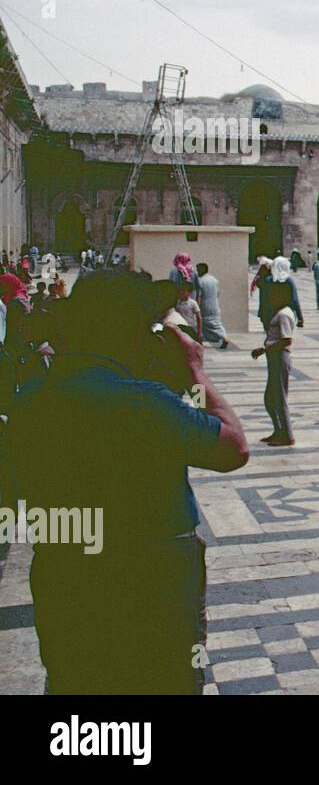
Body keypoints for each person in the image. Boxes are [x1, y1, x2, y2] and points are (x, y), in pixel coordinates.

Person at [6, 269, 249, 693]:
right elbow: (234, 448)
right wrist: (195, 372)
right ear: (131, 332)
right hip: (148, 592)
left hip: (64, 587)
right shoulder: (139, 402)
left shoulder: (32, 401)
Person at [252, 279, 295, 446]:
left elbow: (286, 340)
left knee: (279, 398)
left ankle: (287, 435)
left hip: (279, 357)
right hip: (274, 357)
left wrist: (264, 350)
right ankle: (278, 431)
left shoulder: (284, 314)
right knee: (270, 398)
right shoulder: (280, 312)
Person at [193, 263, 229, 349]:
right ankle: (224, 338)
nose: (197, 272)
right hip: (214, 304)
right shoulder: (214, 280)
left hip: (205, 306)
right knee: (216, 323)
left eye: (198, 270)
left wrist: (196, 307)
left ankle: (200, 341)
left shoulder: (200, 281)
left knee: (202, 324)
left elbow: (199, 296)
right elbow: (218, 293)